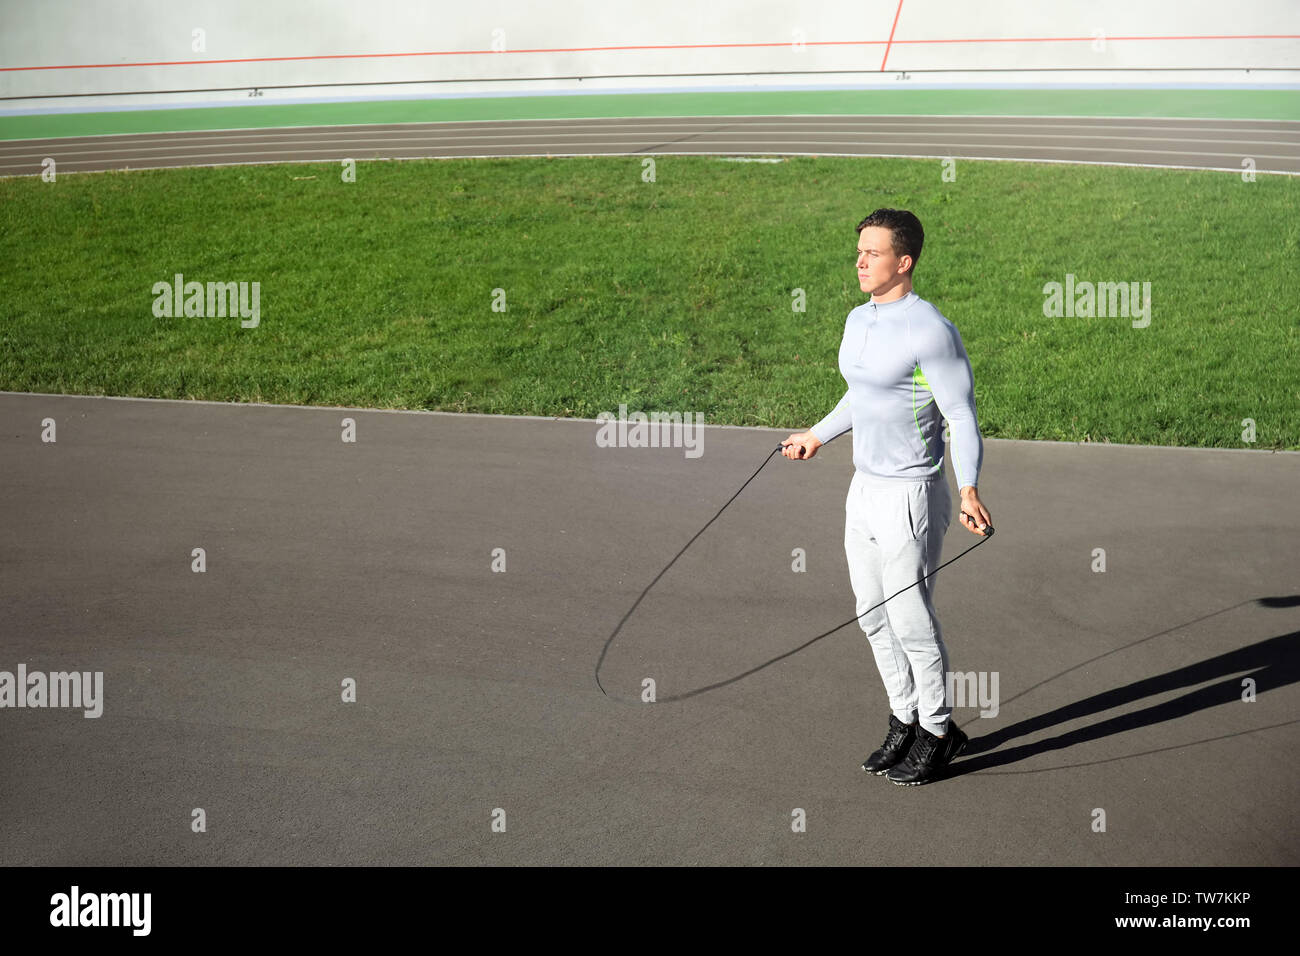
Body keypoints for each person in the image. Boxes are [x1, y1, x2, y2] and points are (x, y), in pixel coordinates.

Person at [780, 208, 992, 787]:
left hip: (911, 494)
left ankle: (940, 730)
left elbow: (960, 416)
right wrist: (816, 435)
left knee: (910, 619)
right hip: (865, 488)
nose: (859, 261)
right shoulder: (859, 320)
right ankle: (905, 717)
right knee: (872, 616)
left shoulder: (930, 331)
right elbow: (863, 395)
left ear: (905, 261)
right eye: (858, 251)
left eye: (872, 253)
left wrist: (968, 486)